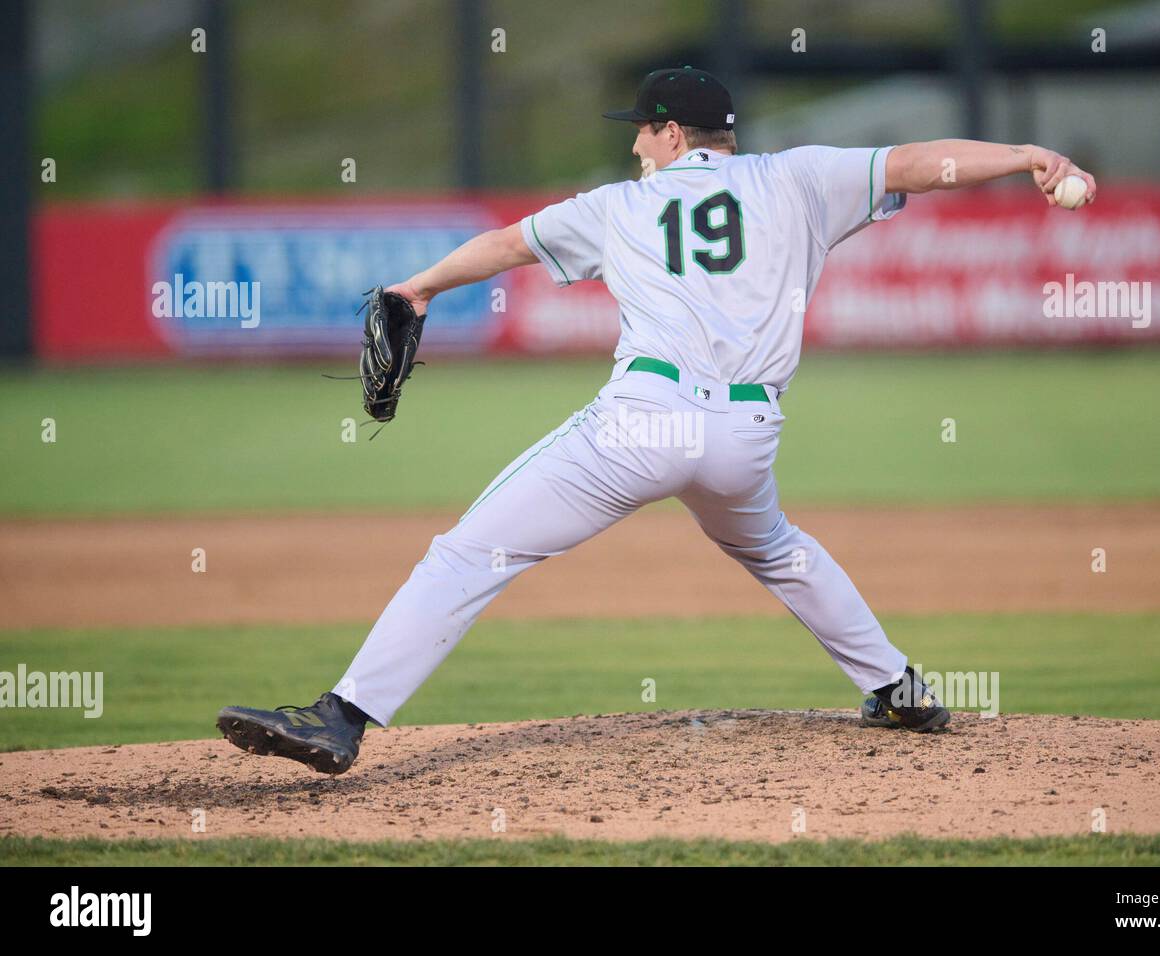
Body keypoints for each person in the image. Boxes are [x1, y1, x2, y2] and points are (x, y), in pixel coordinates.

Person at [217, 66, 1097, 774]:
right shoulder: (800, 178)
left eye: (641, 128)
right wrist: (1024, 154)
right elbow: (918, 163)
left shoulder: (618, 206)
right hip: (745, 439)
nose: (634, 143)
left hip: (644, 422)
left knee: (470, 551)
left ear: (674, 134)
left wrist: (419, 286)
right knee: (776, 549)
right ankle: (897, 685)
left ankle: (343, 716)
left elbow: (506, 246)